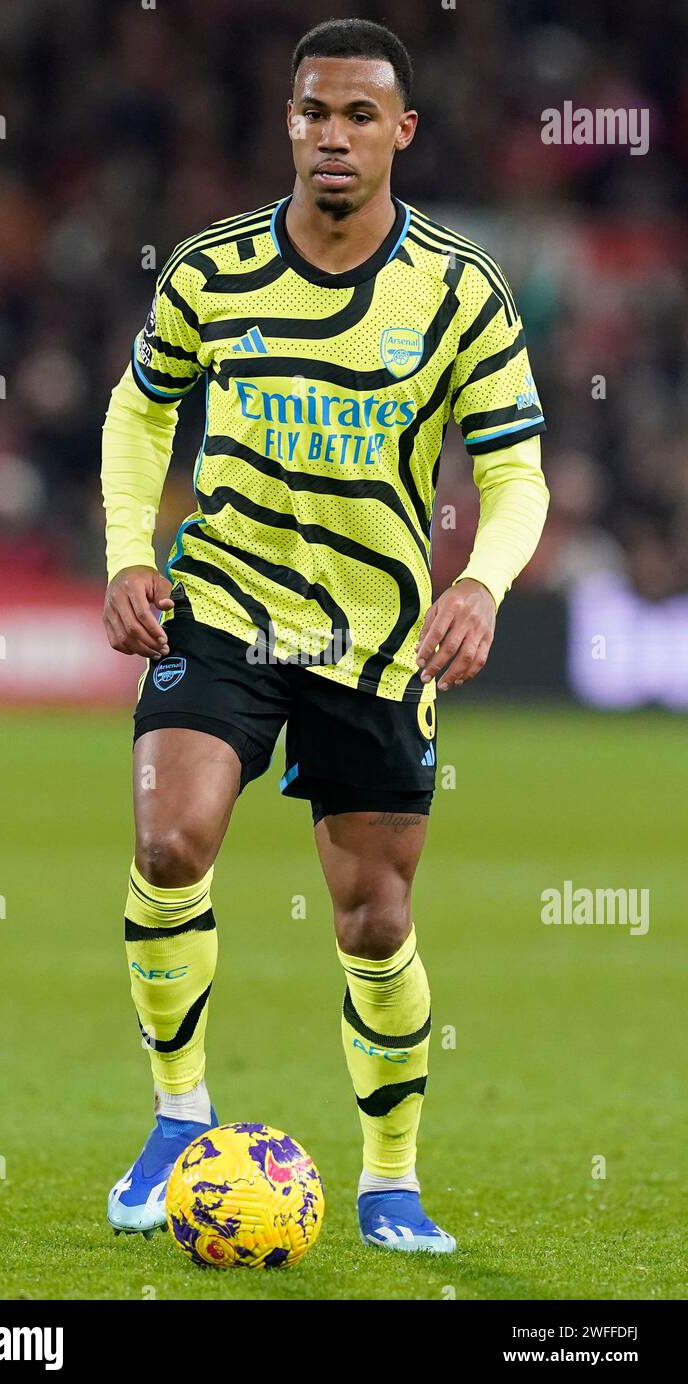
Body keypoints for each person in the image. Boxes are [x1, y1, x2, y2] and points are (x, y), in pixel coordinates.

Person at [100, 16, 549, 1253]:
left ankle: (387, 1179)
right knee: (169, 841)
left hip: (377, 640)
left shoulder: (457, 289)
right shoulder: (210, 270)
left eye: (359, 115)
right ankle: (179, 1117)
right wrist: (130, 549)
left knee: (373, 922)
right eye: (313, 112)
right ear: (286, 123)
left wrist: (482, 585)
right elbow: (138, 412)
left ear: (402, 129)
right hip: (222, 609)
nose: (333, 136)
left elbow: (515, 471)